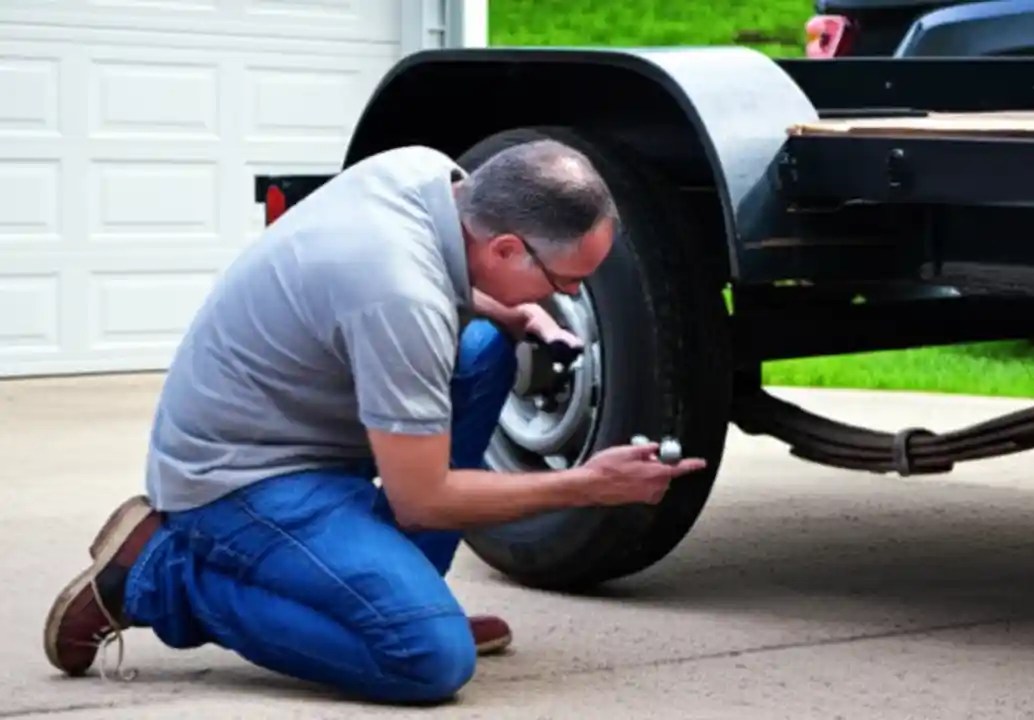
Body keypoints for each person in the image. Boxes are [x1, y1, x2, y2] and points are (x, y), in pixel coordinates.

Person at [42, 140, 706, 703]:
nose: (565, 300)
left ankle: (389, 598)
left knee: (482, 350)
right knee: (428, 659)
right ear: (506, 248)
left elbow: (419, 284)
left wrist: (510, 312)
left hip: (306, 428)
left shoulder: (425, 173)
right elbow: (424, 501)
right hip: (238, 481)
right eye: (563, 284)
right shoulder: (399, 293)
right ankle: (162, 575)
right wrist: (586, 486)